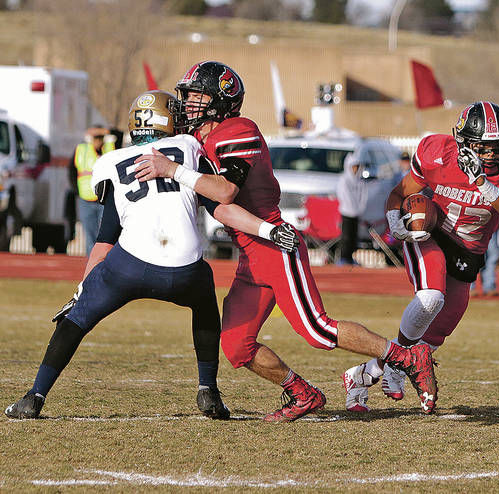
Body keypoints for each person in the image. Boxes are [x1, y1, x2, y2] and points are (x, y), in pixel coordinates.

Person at [133, 61, 439, 421]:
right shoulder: (200, 141)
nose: (188, 104)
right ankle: (301, 393)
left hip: (276, 245)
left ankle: (406, 356)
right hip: (252, 251)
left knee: (317, 329)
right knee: (235, 345)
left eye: (197, 96)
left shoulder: (238, 130)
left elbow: (227, 191)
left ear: (220, 100)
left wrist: (173, 170)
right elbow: (219, 207)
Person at [4, 90, 297, 419]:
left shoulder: (112, 162)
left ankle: (35, 396)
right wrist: (268, 229)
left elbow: (104, 241)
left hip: (128, 265)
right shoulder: (189, 148)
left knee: (74, 321)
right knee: (204, 299)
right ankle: (208, 391)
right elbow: (224, 210)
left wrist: (82, 291)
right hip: (186, 269)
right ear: (169, 119)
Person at [342, 101, 499, 412]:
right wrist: (396, 223)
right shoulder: (438, 154)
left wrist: (482, 183)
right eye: (483, 148)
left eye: (497, 147)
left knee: (432, 338)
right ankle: (394, 369)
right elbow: (399, 193)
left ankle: (361, 376)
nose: (491, 154)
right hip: (429, 236)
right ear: (464, 143)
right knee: (432, 297)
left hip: (468, 252)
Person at [69, 125, 116, 254]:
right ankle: (91, 267)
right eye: (95, 137)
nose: (98, 140)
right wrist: (77, 191)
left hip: (105, 201)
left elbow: (117, 132)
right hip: (86, 200)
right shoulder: (82, 150)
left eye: (101, 137)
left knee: (106, 237)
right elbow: (72, 171)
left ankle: (104, 266)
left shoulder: (111, 149)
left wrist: (104, 131)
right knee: (90, 238)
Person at [335, 151, 369, 266]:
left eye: (357, 167)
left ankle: (350, 257)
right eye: (353, 166)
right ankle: (344, 257)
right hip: (347, 213)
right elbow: (344, 196)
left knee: (354, 237)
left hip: (357, 213)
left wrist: (360, 209)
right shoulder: (344, 180)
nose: (355, 169)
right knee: (346, 236)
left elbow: (363, 196)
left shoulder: (360, 181)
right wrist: (352, 209)